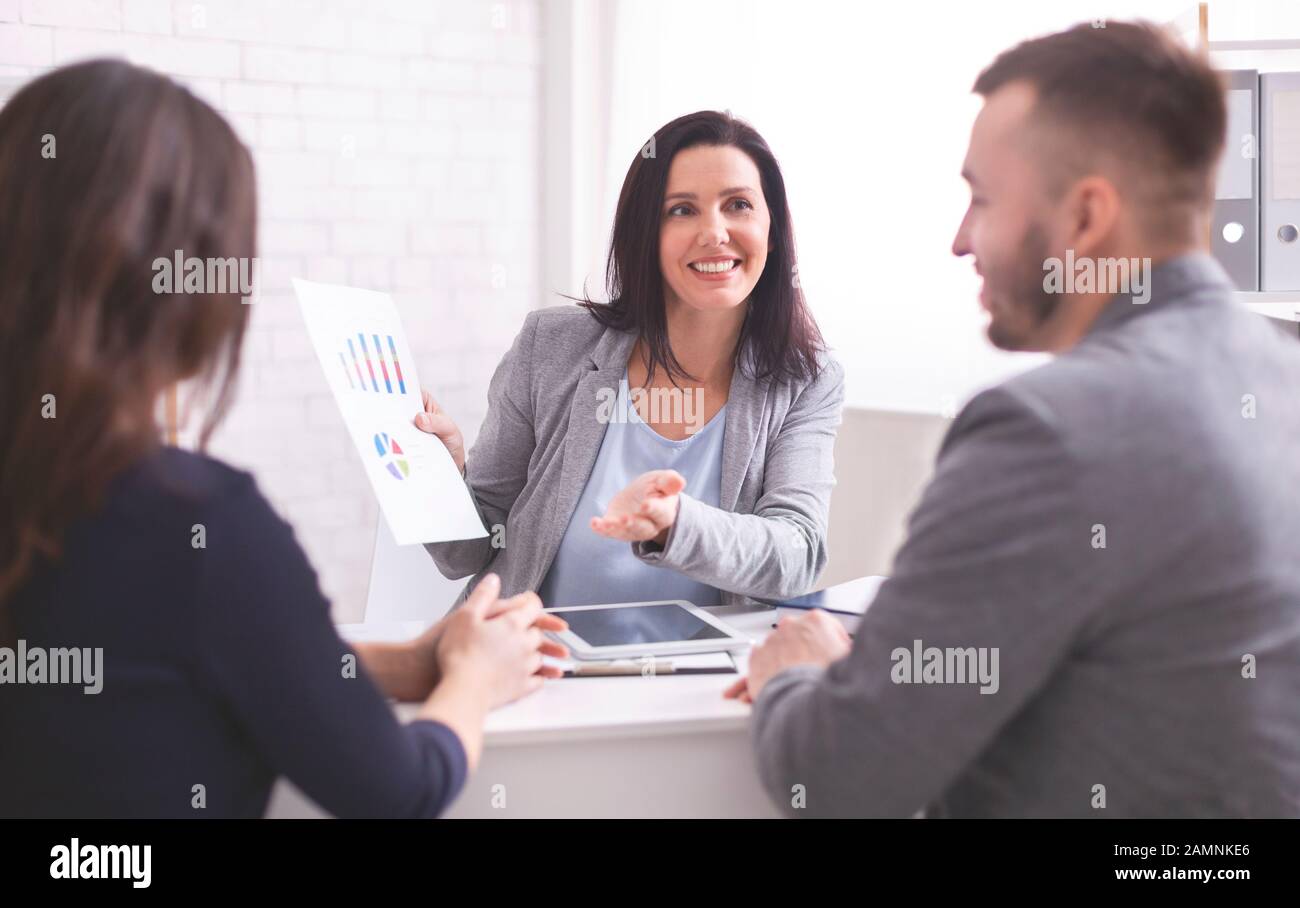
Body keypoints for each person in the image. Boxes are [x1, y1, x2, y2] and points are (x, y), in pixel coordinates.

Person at [729, 21, 1300, 817]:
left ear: (1085, 217)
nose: (960, 239)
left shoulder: (1049, 431)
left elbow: (840, 775)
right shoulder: (1282, 373)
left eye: (983, 199)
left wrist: (795, 672)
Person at [0, 59, 565, 819]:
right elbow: (400, 788)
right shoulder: (201, 526)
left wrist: (405, 662)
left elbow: (162, 669)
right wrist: (474, 678)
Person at [419, 111, 844, 609]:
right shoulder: (550, 346)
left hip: (701, 680)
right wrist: (438, 478)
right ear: (645, 233)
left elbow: (797, 554)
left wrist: (677, 525)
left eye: (739, 205)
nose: (714, 232)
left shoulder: (807, 380)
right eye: (681, 210)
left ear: (771, 228)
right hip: (531, 668)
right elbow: (465, 553)